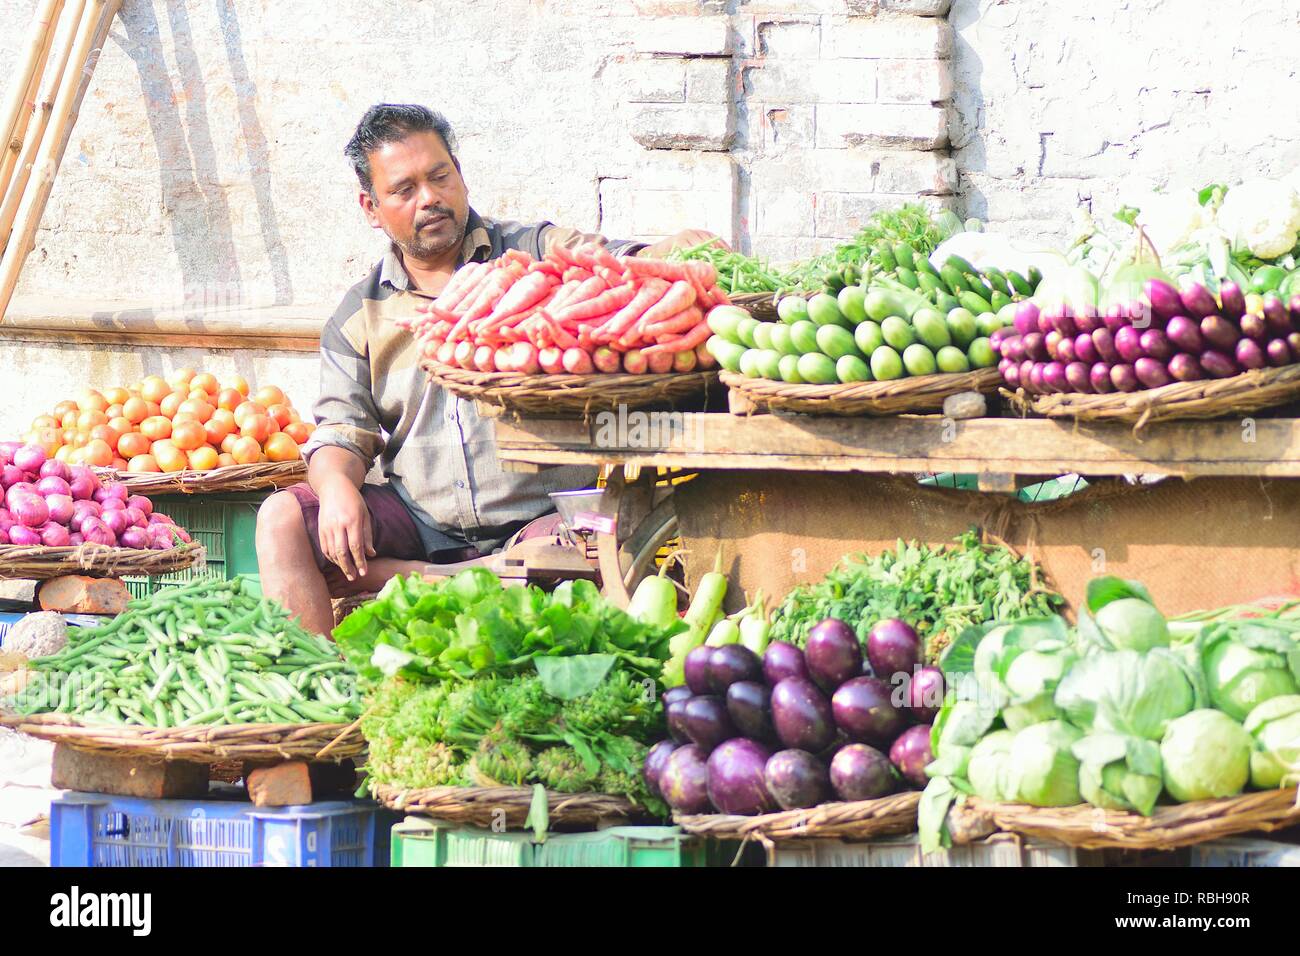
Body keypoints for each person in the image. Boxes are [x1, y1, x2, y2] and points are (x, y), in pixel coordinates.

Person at [256, 103, 719, 635]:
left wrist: (668, 251)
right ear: (371, 207)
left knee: (577, 548)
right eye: (404, 189)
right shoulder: (360, 313)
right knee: (282, 519)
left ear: (460, 175)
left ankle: (435, 575)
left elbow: (613, 260)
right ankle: (318, 676)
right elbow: (342, 430)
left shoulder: (534, 256)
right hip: (421, 521)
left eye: (440, 177)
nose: (429, 198)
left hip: (541, 519)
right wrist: (337, 486)